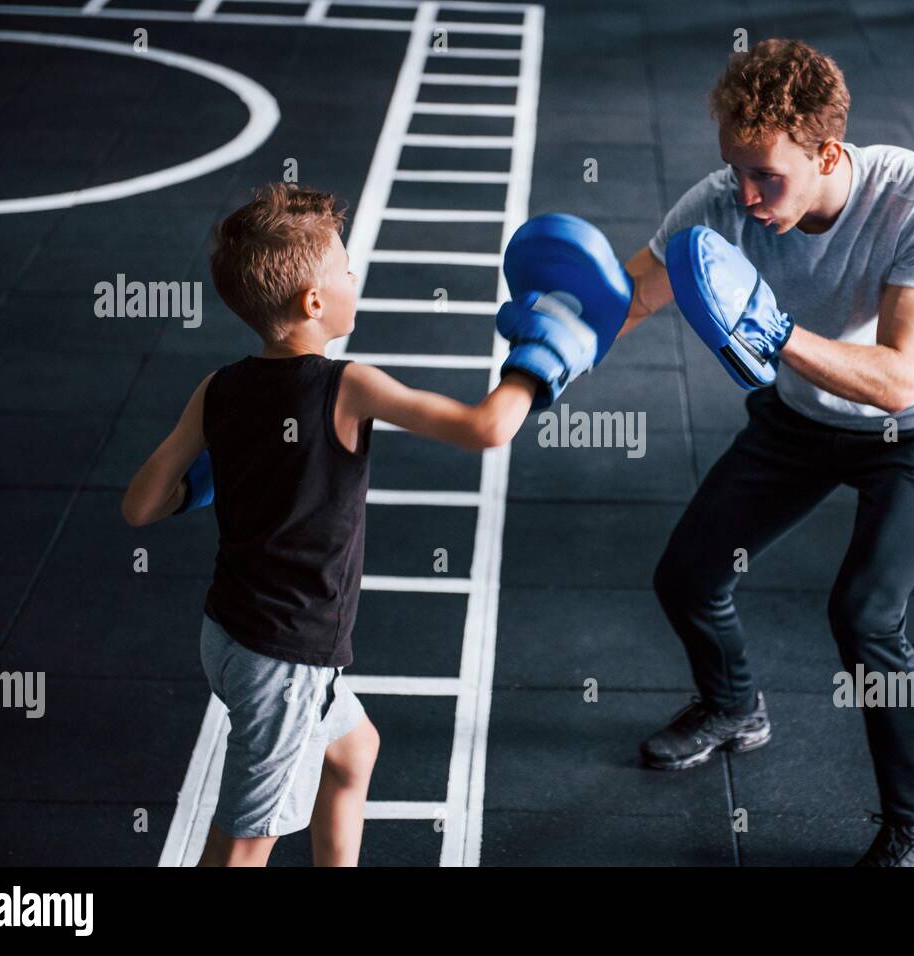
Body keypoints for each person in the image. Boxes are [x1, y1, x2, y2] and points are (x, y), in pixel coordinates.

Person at [121, 186, 625, 865]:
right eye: (347, 268)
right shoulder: (348, 385)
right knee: (244, 843)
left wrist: (206, 482)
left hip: (229, 635)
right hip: (285, 656)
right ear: (314, 303)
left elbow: (140, 505)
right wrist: (541, 354)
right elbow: (485, 427)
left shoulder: (217, 388)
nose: (356, 275)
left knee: (354, 753)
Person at [616, 39, 914, 867]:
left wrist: (775, 332)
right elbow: (632, 296)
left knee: (863, 615)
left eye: (766, 178)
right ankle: (733, 706)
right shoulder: (722, 200)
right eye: (734, 171)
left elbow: (896, 380)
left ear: (827, 153)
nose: (745, 196)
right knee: (686, 576)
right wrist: (543, 349)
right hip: (801, 420)